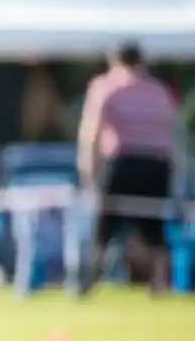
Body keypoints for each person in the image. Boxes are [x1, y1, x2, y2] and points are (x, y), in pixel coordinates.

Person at [77, 41, 179, 295]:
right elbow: (172, 132)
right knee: (154, 227)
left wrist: (88, 169)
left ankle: (89, 281)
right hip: (158, 164)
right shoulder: (159, 91)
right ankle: (159, 283)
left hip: (122, 162)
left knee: (105, 225)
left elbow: (92, 132)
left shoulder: (105, 86)